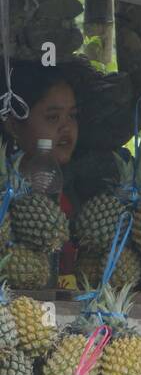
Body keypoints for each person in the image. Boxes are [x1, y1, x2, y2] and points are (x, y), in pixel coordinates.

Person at [1, 61, 80, 282]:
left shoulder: (64, 198)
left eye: (72, 116)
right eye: (53, 117)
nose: (66, 127)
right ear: (14, 125)